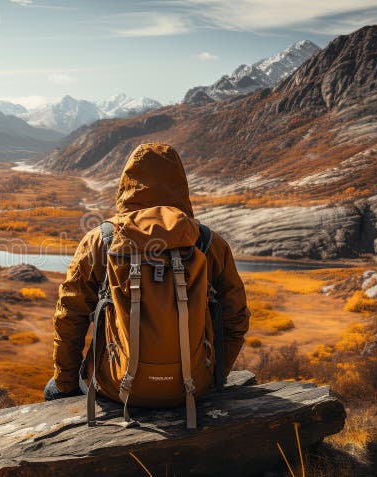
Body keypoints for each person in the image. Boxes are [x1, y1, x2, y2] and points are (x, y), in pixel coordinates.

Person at [45, 143, 250, 401]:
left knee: (52, 390)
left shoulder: (102, 240)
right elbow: (236, 317)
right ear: (180, 184)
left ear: (127, 184)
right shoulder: (208, 243)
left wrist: (65, 383)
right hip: (193, 385)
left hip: (115, 387)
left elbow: (69, 317)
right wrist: (212, 374)